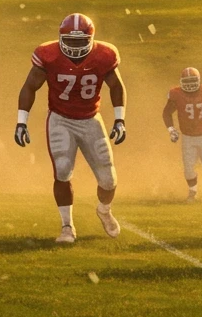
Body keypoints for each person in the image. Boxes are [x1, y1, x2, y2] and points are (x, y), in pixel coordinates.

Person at [14, 13, 125, 244]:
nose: (74, 47)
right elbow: (29, 87)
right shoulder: (48, 55)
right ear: (61, 38)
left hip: (91, 119)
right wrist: (21, 121)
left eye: (80, 41)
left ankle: (104, 210)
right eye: (70, 41)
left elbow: (116, 86)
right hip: (61, 119)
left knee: (109, 179)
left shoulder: (104, 55)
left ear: (91, 39)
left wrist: (119, 119)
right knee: (63, 170)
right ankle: (67, 227)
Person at [162, 67, 202, 202]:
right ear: (181, 82)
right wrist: (171, 129)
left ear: (199, 80)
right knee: (188, 167)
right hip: (188, 137)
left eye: (192, 81)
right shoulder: (177, 94)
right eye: (187, 81)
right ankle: (192, 192)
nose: (190, 84)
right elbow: (167, 112)